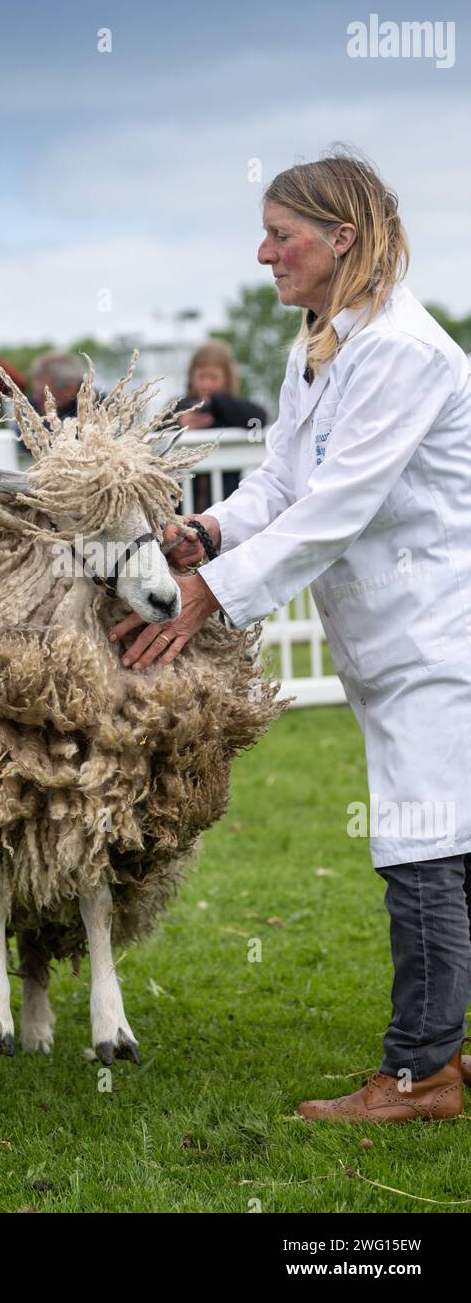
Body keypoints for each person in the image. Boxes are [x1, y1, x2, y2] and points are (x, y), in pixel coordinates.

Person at [110, 151, 471, 1123]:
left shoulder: (402, 351)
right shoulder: (321, 341)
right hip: (398, 641)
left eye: (282, 234)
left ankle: (421, 1075)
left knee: (424, 845)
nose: (262, 250)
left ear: (340, 237)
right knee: (446, 838)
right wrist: (211, 530)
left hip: (441, 635)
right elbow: (281, 485)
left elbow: (335, 512)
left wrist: (204, 597)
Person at [174, 339, 267, 507]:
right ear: (191, 376)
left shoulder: (233, 409)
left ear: (227, 378)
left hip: (226, 499)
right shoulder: (180, 407)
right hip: (185, 503)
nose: (207, 384)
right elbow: (157, 429)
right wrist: (181, 423)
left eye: (214, 377)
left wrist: (216, 404)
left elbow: (259, 419)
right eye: (202, 377)